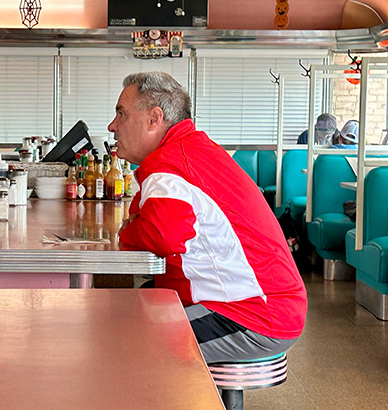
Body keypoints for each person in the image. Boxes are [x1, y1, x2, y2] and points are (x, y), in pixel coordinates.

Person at [108, 72, 307, 363]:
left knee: (127, 348)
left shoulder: (169, 163)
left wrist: (126, 232)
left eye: (121, 114)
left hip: (253, 314)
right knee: (135, 304)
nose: (112, 126)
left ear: (154, 119)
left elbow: (161, 236)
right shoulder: (189, 150)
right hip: (266, 302)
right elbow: (145, 216)